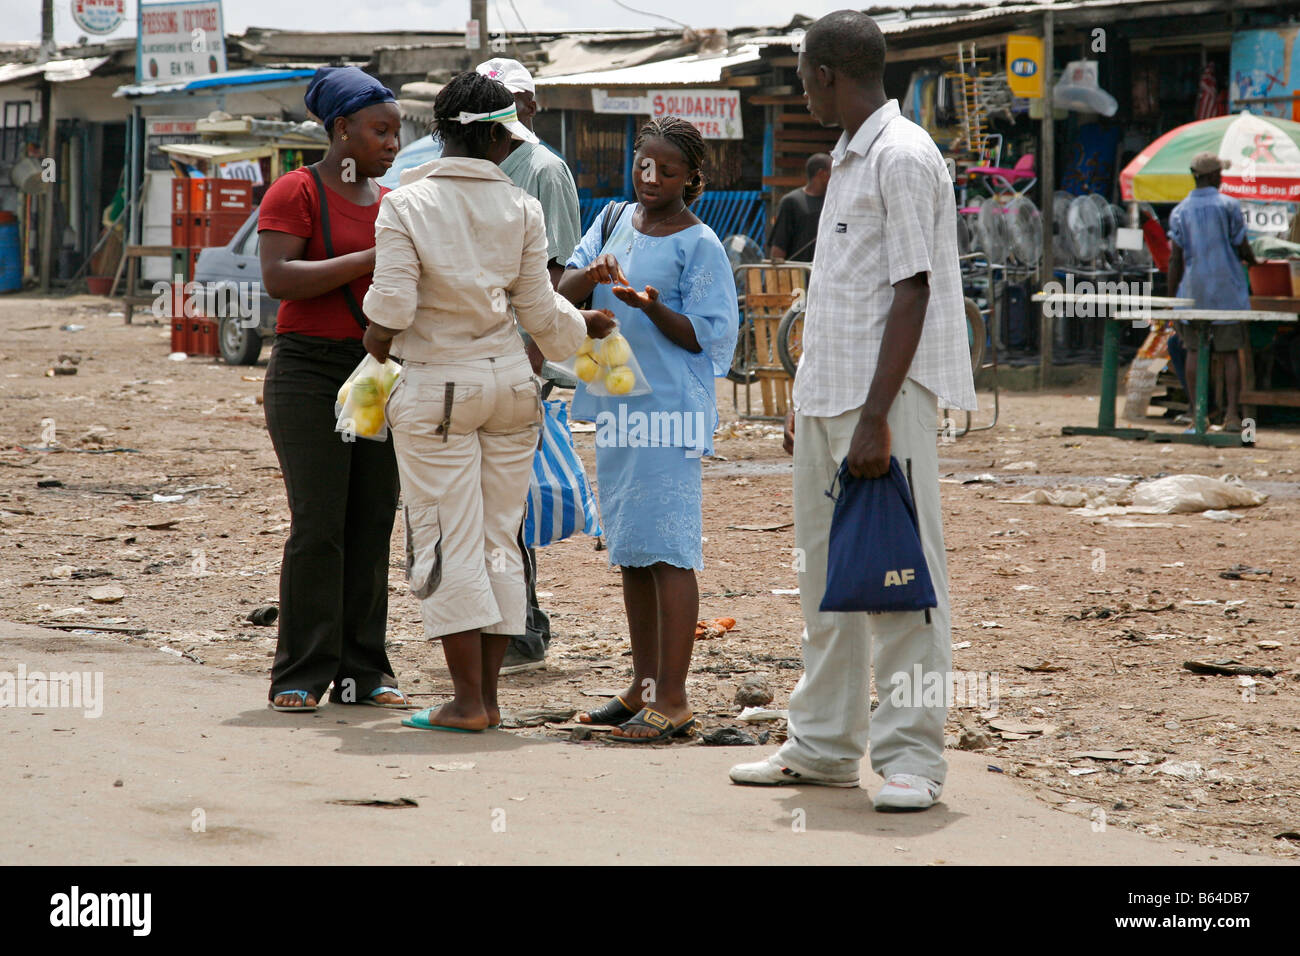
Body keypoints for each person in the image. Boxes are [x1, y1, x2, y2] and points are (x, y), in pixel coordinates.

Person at [728, 10, 976, 809]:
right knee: (827, 580)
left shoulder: (902, 157)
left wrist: (874, 415)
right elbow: (843, 296)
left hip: (884, 402)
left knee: (903, 577)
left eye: (804, 76)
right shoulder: (848, 157)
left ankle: (912, 760)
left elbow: (915, 290)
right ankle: (825, 746)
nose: (803, 90)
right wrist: (807, 402)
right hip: (831, 399)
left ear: (826, 74)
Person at [360, 72, 615, 733]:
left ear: (445, 133)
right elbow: (541, 313)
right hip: (510, 390)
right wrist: (583, 326)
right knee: (502, 539)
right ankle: (490, 701)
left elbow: (390, 306)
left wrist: (376, 342)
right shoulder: (521, 209)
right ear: (500, 137)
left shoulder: (406, 204)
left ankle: (467, 702)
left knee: (447, 540)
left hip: (438, 387)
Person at [559, 117, 739, 742]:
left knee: (670, 550)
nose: (651, 179)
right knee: (632, 548)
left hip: (671, 410)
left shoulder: (700, 243)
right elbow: (563, 288)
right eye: (643, 166)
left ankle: (676, 696)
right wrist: (593, 275)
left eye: (666, 170)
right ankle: (642, 686)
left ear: (692, 176)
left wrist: (652, 305)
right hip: (619, 403)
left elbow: (710, 337)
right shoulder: (611, 220)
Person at [258, 66, 410, 713]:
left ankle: (363, 671)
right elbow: (280, 279)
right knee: (320, 525)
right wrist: (372, 257)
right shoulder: (296, 192)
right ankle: (300, 672)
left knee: (372, 520)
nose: (392, 143)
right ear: (341, 128)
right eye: (380, 130)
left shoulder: (392, 202)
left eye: (398, 132)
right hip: (307, 372)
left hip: (374, 371)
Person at [474, 57, 582, 675]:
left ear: (531, 107)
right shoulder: (475, 167)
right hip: (473, 354)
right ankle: (515, 623)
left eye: (515, 103)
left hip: (519, 356)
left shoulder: (542, 169)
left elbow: (555, 275)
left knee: (508, 500)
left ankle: (520, 630)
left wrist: (531, 365)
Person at [1167, 152, 1257, 431]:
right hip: (1227, 289)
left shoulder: (1180, 210)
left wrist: (1172, 299)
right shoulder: (1228, 205)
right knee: (1230, 353)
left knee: (1194, 351)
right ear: (1211, 176)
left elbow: (1175, 259)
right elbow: (1241, 245)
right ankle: (1232, 415)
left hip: (1193, 291)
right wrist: (1254, 262)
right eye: (1219, 173)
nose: (1221, 178)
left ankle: (1198, 416)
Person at [768, 152, 831, 263]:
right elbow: (778, 248)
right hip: (799, 276)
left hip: (825, 275)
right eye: (832, 172)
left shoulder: (832, 202)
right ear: (821, 174)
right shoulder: (792, 202)